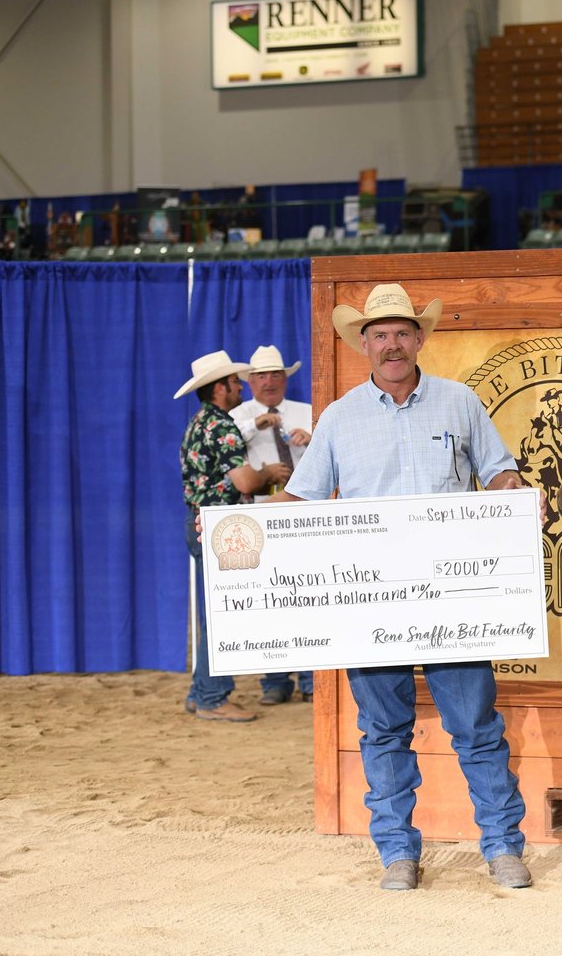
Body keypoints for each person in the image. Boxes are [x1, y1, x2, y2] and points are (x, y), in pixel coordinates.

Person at [271, 283, 532, 893]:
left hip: (454, 595)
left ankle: (501, 847)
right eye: (379, 334)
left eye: (401, 333)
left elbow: (498, 472)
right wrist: (238, 524)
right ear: (363, 344)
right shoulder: (338, 417)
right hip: (370, 601)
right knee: (383, 729)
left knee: (476, 726)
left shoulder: (460, 402)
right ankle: (397, 854)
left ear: (420, 338)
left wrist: (513, 494)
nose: (391, 344)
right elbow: (300, 499)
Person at [175, 350, 291, 722]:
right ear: (219, 388)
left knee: (214, 612)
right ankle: (212, 696)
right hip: (220, 528)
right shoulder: (222, 426)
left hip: (200, 522)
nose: (240, 386)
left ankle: (201, 691)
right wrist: (268, 473)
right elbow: (244, 481)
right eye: (234, 381)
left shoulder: (199, 422)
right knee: (221, 616)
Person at [231, 344, 315, 706]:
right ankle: (275, 680)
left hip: (303, 512)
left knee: (310, 595)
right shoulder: (237, 417)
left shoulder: (307, 412)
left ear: (285, 379)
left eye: (276, 374)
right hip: (260, 510)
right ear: (249, 381)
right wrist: (255, 426)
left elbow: (332, 452)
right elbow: (226, 446)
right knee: (270, 599)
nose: (269, 381)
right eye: (262, 375)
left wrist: (311, 442)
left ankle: (312, 678)